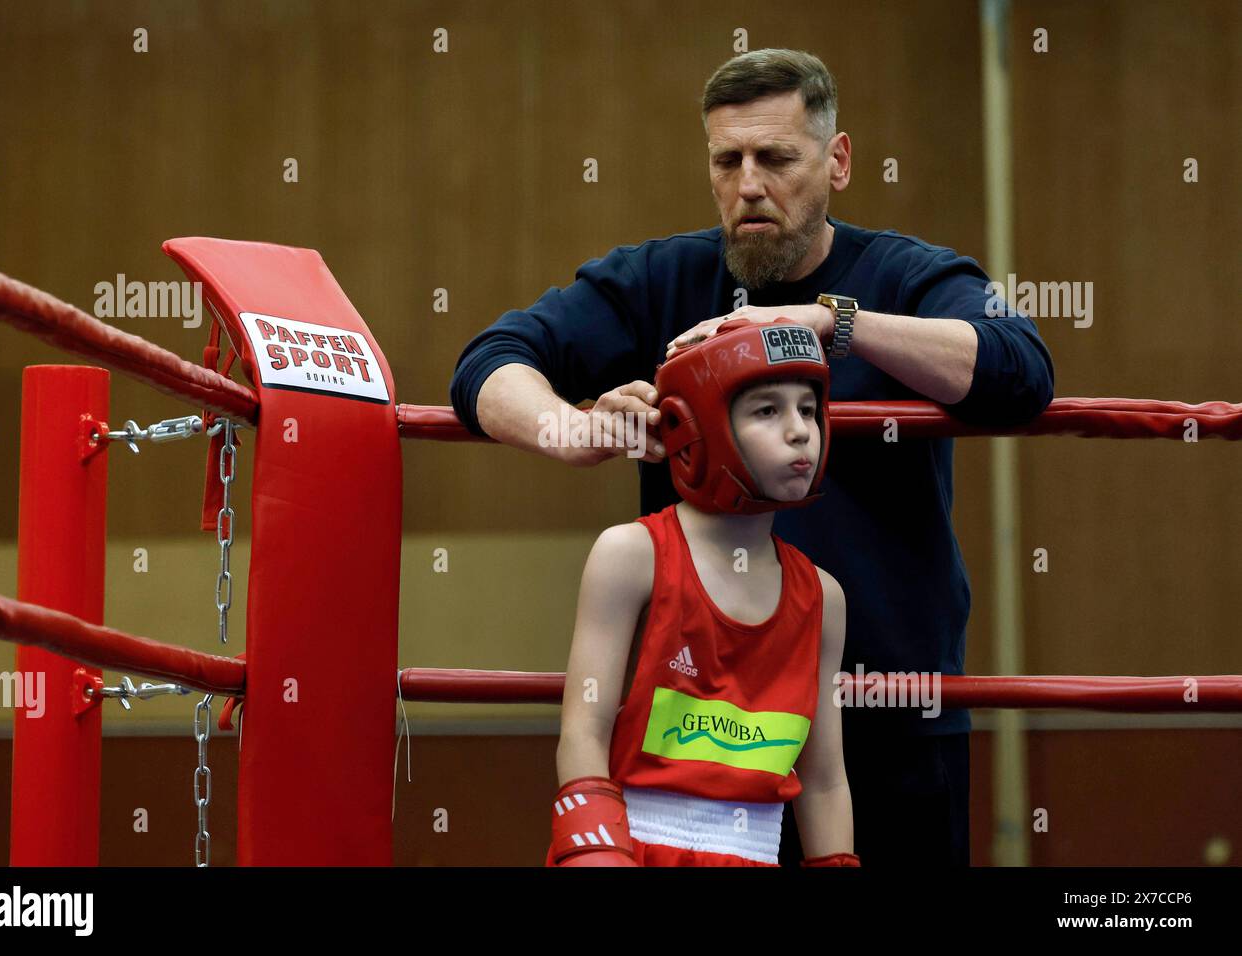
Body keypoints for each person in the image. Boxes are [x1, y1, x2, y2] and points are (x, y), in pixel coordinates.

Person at [450, 49, 1054, 866]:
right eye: (727, 160)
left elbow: (1022, 369)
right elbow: (489, 363)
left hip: (889, 718)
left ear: (837, 161)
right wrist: (572, 430)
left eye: (775, 158)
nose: (749, 185)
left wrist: (833, 322)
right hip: (707, 733)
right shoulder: (661, 281)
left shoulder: (905, 275)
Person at [546, 318, 856, 866]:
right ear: (698, 427)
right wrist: (597, 852)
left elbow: (826, 778)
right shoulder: (631, 556)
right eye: (767, 410)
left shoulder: (823, 598)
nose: (799, 431)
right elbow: (583, 730)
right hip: (629, 846)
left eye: (808, 409)